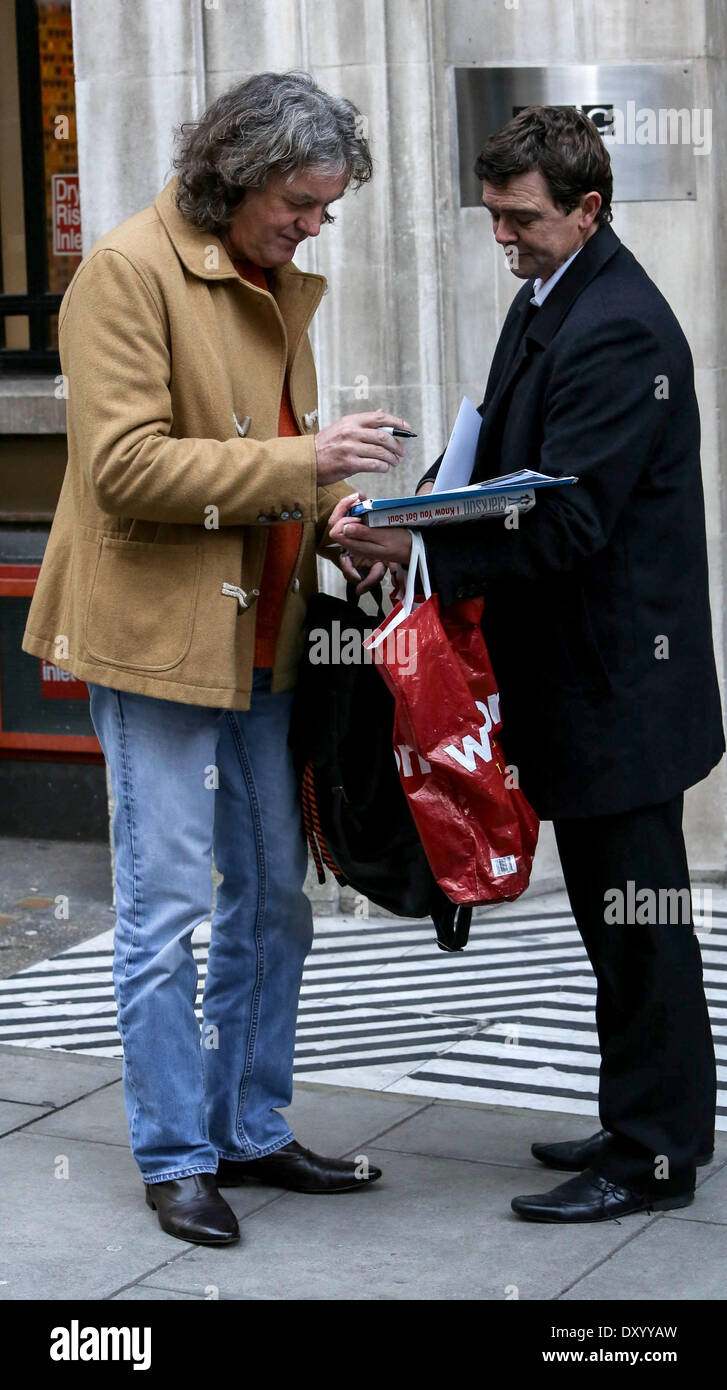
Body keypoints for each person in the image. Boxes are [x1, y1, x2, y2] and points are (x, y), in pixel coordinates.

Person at [21, 70, 412, 1246]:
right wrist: (308, 469)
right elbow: (125, 469)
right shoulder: (127, 271)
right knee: (165, 909)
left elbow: (279, 449)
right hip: (155, 645)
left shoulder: (266, 271)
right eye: (298, 201)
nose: (311, 225)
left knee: (274, 908)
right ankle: (176, 1154)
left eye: (325, 208)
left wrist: (346, 514)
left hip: (265, 638)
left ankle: (248, 1124)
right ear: (237, 175)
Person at [331, 105, 724, 1223]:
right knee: (616, 923)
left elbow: (566, 522)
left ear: (586, 208)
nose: (503, 237)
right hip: (584, 680)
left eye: (522, 219)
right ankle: (643, 1118)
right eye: (493, 216)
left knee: (641, 926)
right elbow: (511, 474)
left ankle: (655, 1153)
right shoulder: (552, 296)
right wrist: (430, 512)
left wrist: (413, 538)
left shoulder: (618, 328)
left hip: (618, 689)